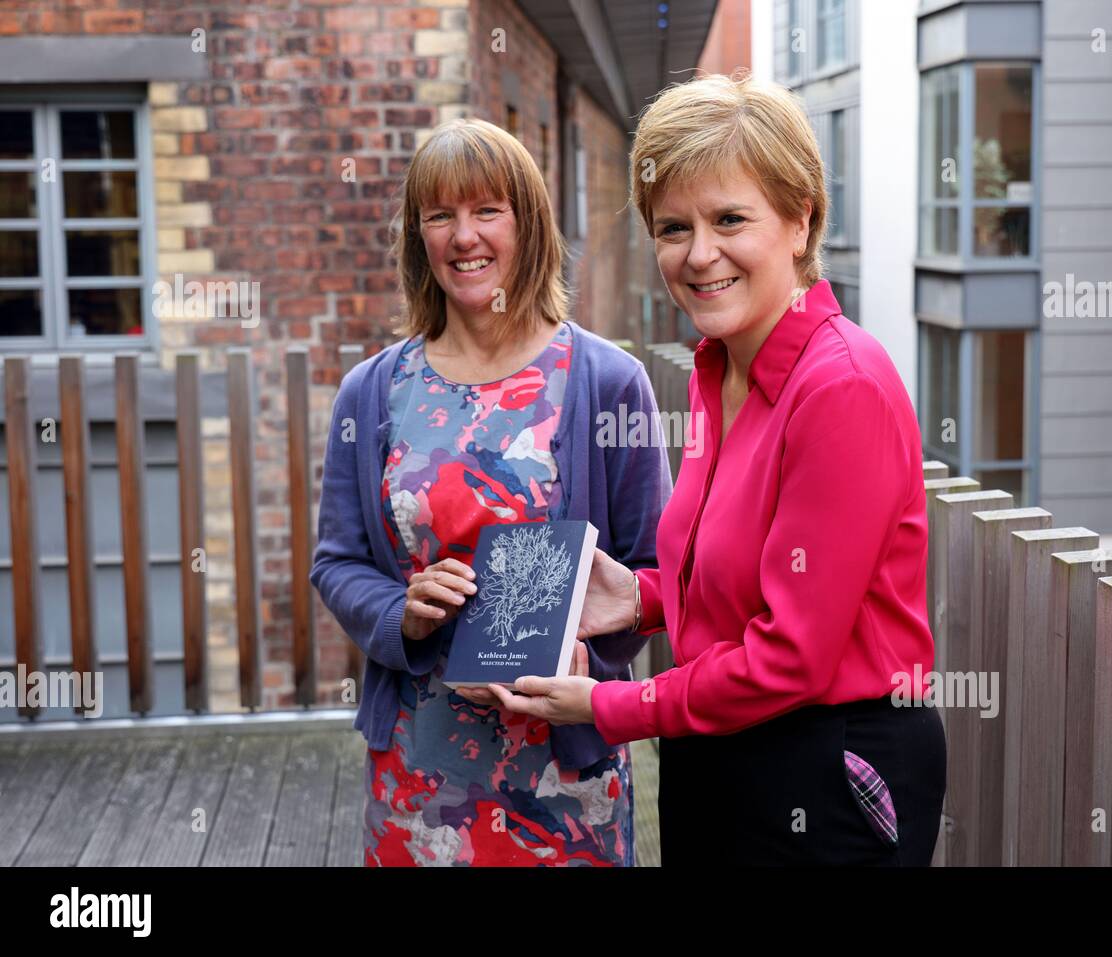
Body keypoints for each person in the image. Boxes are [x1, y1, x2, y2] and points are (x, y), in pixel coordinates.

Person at [484, 73, 948, 866]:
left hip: (825, 768)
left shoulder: (842, 386)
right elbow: (754, 576)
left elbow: (792, 654)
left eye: (730, 218)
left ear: (800, 220)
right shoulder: (721, 368)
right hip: (721, 749)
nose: (700, 254)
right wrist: (643, 595)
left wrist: (611, 704)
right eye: (673, 227)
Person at [310, 118, 671, 866]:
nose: (463, 235)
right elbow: (337, 560)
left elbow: (654, 572)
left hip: (564, 770)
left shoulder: (608, 383)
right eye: (440, 215)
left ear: (528, 224)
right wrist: (398, 611)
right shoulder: (373, 392)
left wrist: (584, 654)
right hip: (419, 768)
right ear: (420, 237)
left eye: (486, 211)